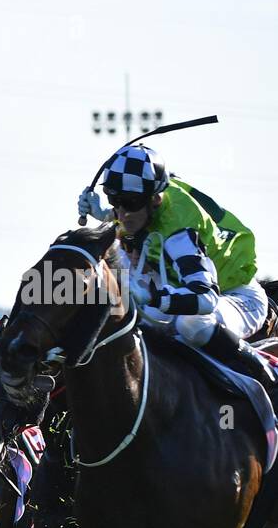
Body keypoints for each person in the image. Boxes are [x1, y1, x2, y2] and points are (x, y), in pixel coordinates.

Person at [77, 143, 271, 388]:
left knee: (191, 324)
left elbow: (205, 299)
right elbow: (128, 216)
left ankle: (265, 372)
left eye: (131, 202)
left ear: (154, 200)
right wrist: (102, 212)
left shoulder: (180, 233)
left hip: (238, 298)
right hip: (185, 291)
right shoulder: (144, 207)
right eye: (115, 200)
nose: (122, 213)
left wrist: (151, 296)